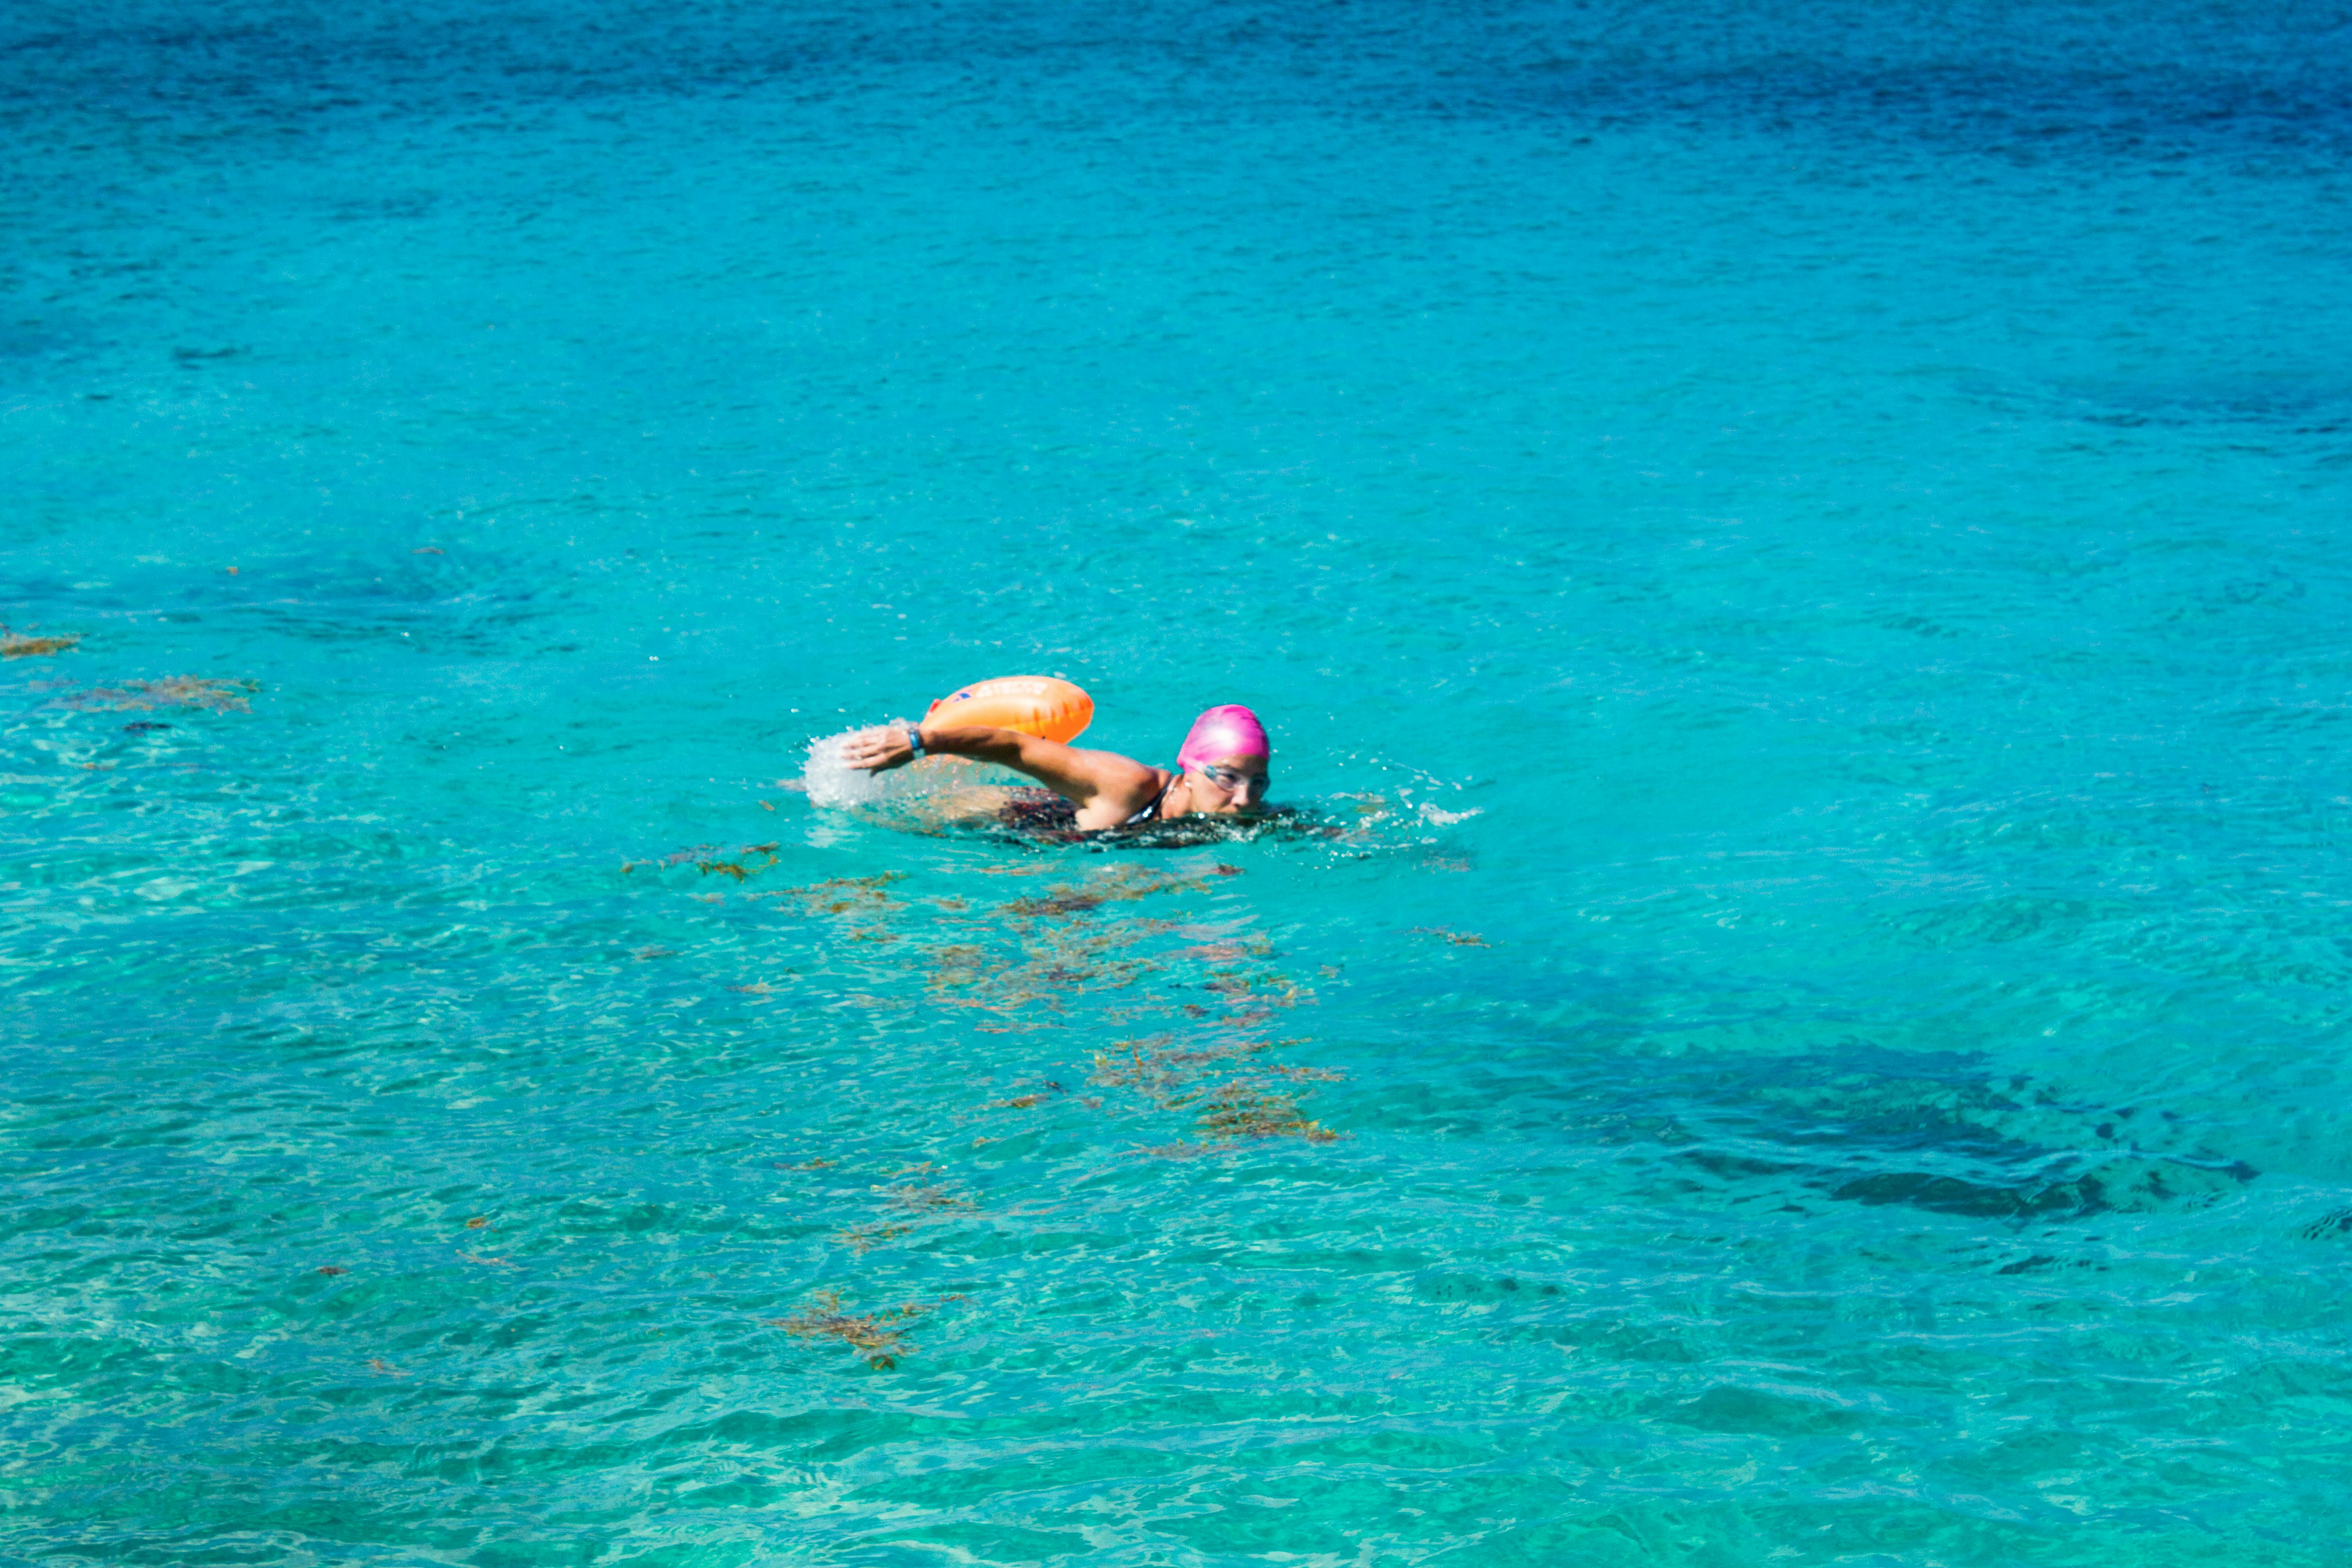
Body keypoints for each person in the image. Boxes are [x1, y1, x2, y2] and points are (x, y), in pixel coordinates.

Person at [842, 703, 1271, 833]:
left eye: (1259, 783)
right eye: (1228, 779)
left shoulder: (1247, 817)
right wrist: (919, 742)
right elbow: (1015, 748)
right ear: (1190, 770)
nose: (1245, 799)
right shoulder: (1123, 784)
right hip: (999, 817)